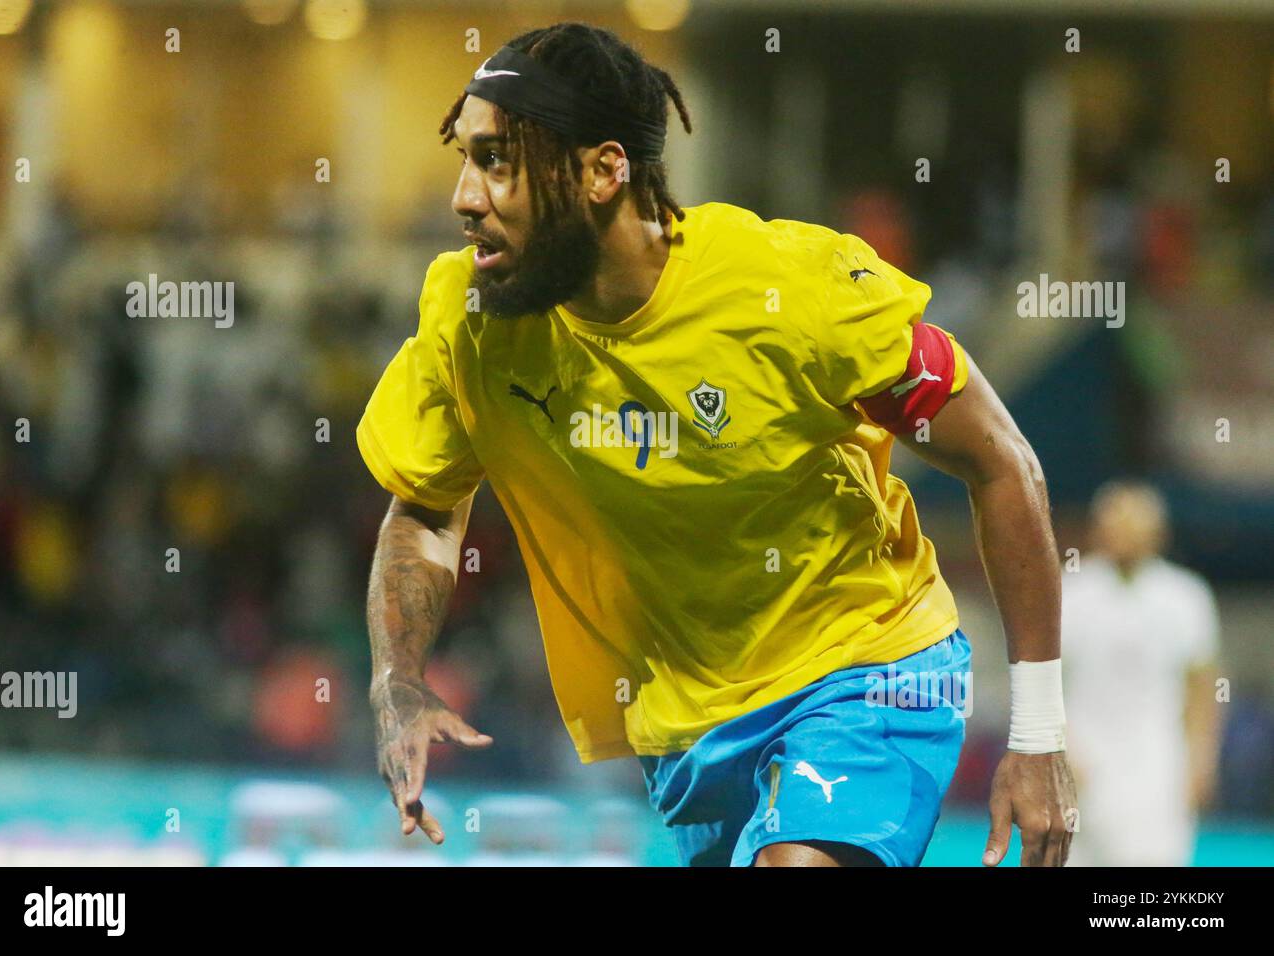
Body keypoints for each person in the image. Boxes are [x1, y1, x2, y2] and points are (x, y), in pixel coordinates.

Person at [357, 21, 1075, 867]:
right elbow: (427, 513)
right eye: (466, 158)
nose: (465, 196)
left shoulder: (793, 293)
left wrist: (1037, 732)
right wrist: (395, 678)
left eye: (498, 160)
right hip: (689, 724)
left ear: (603, 170)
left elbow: (1001, 460)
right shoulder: (470, 322)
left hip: (869, 667)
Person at [1063, 481, 1222, 866]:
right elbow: (1044, 680)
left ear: (1158, 533)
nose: (1125, 533)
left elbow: (1202, 685)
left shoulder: (1186, 596)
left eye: (1136, 524)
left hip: (1159, 763)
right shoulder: (1069, 592)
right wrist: (1059, 746)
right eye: (1116, 522)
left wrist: (1202, 757)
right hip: (1083, 760)